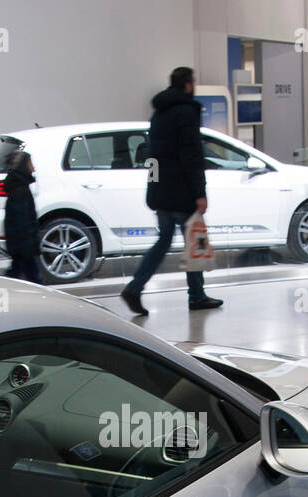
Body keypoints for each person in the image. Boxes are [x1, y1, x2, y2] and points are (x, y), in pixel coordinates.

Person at [121, 67, 222, 316]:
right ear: (188, 85)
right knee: (194, 241)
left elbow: (152, 156)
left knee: (163, 241)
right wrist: (200, 192)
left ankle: (135, 287)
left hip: (162, 193)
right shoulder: (186, 112)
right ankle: (196, 296)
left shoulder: (158, 113)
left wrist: (153, 187)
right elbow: (191, 155)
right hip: (182, 193)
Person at [3, 151, 40, 282]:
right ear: (22, 166)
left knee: (16, 274)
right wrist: (30, 247)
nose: (33, 167)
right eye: (30, 164)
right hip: (24, 248)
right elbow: (22, 222)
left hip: (21, 248)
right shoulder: (20, 191)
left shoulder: (19, 188)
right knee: (33, 280)